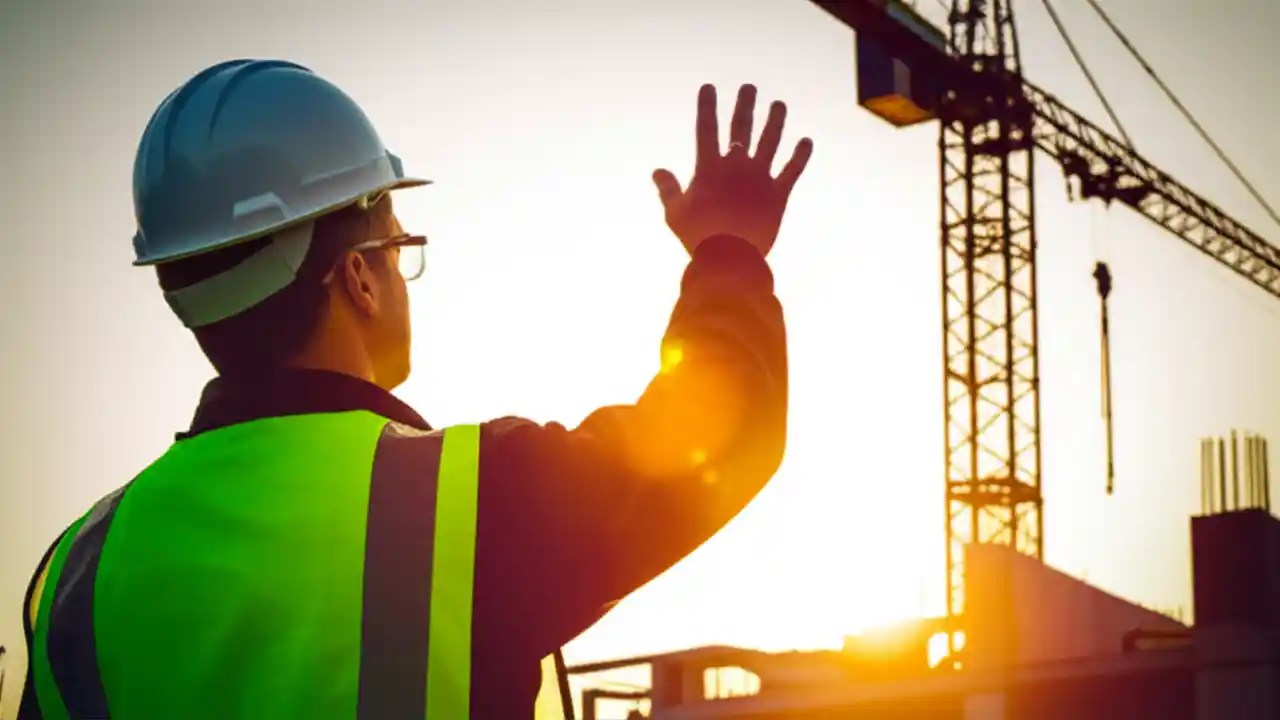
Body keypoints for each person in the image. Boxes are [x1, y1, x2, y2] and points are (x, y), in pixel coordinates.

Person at [17, 59, 812, 719]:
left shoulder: (75, 576)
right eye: (398, 244)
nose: (402, 271)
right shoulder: (459, 505)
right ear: (358, 276)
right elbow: (720, 431)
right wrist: (729, 247)